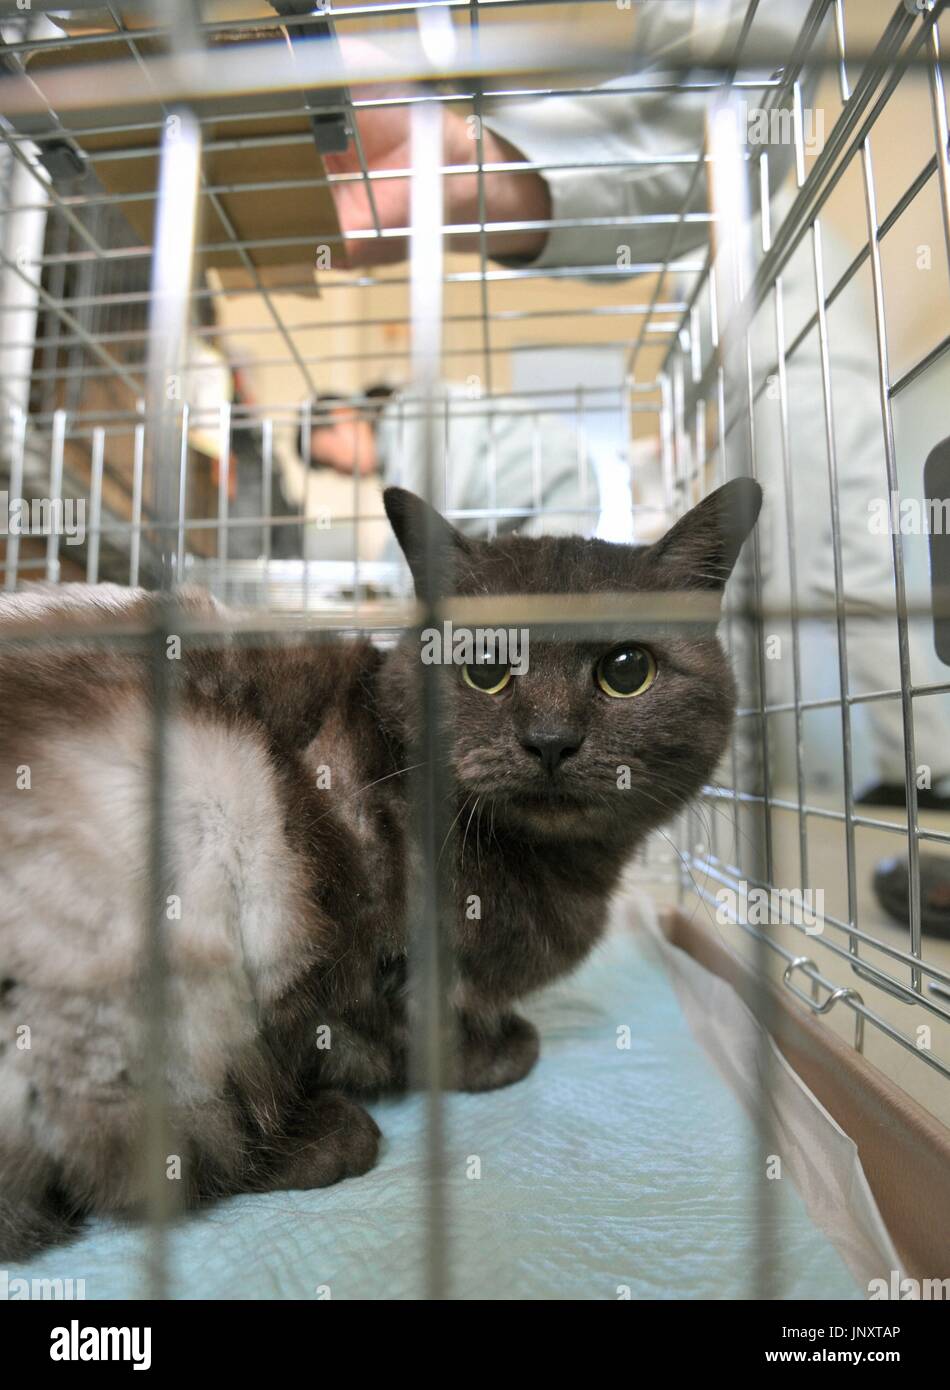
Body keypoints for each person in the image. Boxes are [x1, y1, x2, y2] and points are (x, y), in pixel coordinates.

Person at [324, 0, 950, 932]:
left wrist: (473, 174)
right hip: (712, 236)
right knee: (778, 572)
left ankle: (923, 785)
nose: (331, 461)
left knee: (830, 532)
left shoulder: (416, 413)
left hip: (763, 246)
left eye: (323, 445)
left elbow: (737, 52)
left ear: (346, 422)